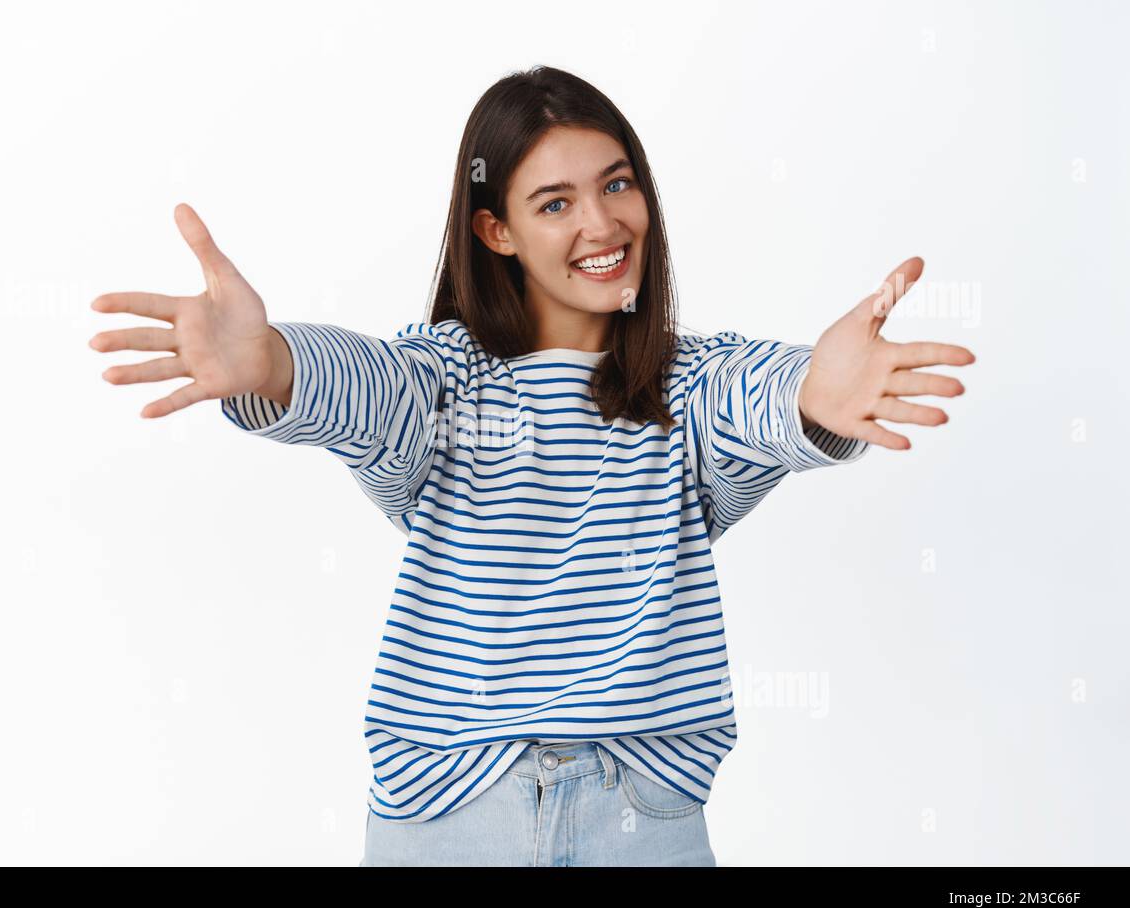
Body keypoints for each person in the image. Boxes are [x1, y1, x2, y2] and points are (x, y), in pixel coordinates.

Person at [88, 65, 975, 866]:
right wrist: (276, 365)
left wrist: (816, 395)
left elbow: (767, 398)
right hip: (447, 818)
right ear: (496, 230)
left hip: (643, 815)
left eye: (617, 185)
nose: (601, 224)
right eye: (554, 203)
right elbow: (368, 388)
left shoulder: (691, 384)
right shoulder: (442, 378)